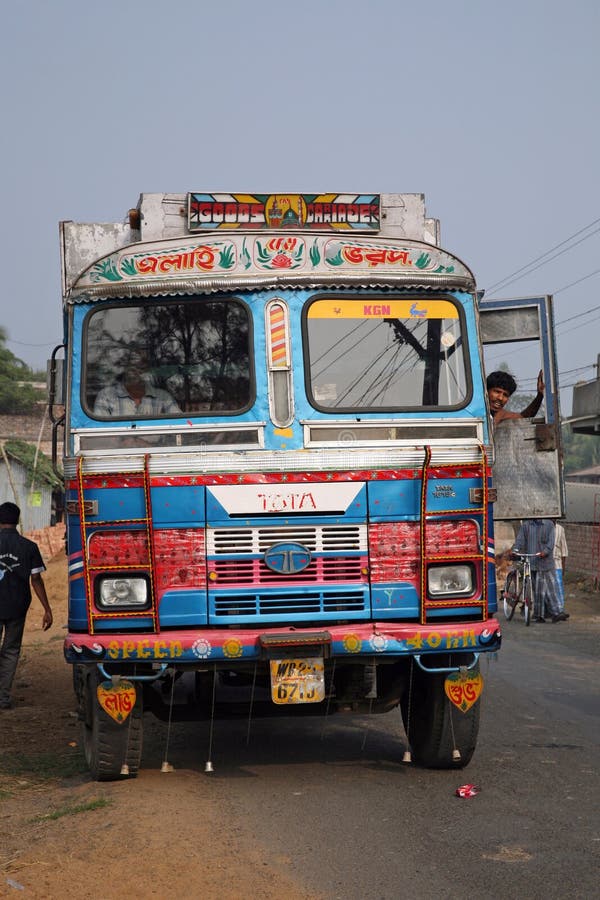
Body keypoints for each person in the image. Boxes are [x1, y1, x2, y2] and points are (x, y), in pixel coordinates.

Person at [0, 502, 53, 709]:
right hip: (17, 605)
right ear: (17, 520)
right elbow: (36, 579)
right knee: (11, 650)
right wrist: (47, 609)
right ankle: (3, 698)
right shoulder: (29, 547)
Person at [512, 518, 568, 623]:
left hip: (546, 562)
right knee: (538, 591)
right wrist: (515, 550)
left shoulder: (549, 525)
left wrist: (545, 552)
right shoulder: (526, 525)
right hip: (532, 562)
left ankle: (556, 612)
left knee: (551, 589)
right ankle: (540, 615)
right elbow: (520, 541)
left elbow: (551, 543)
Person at [93, 366, 182, 417]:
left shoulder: (163, 397)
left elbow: (179, 425)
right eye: (130, 367)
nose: (134, 373)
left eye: (139, 367)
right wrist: (123, 442)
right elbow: (99, 430)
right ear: (124, 370)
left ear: (146, 371)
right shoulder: (106, 396)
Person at [553, 520, 568, 612]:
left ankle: (560, 609)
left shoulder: (560, 529)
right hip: (544, 562)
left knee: (558, 585)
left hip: (557, 562)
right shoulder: (542, 527)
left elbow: (564, 549)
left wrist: (563, 566)